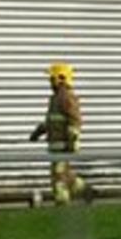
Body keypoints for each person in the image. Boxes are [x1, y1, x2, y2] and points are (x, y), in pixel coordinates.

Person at [29, 62, 92, 204]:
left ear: (61, 78)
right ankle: (86, 191)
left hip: (63, 147)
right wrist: (39, 132)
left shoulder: (67, 98)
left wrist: (73, 142)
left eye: (52, 78)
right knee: (66, 175)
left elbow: (75, 121)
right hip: (55, 147)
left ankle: (62, 205)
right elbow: (52, 122)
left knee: (58, 179)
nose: (49, 82)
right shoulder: (55, 99)